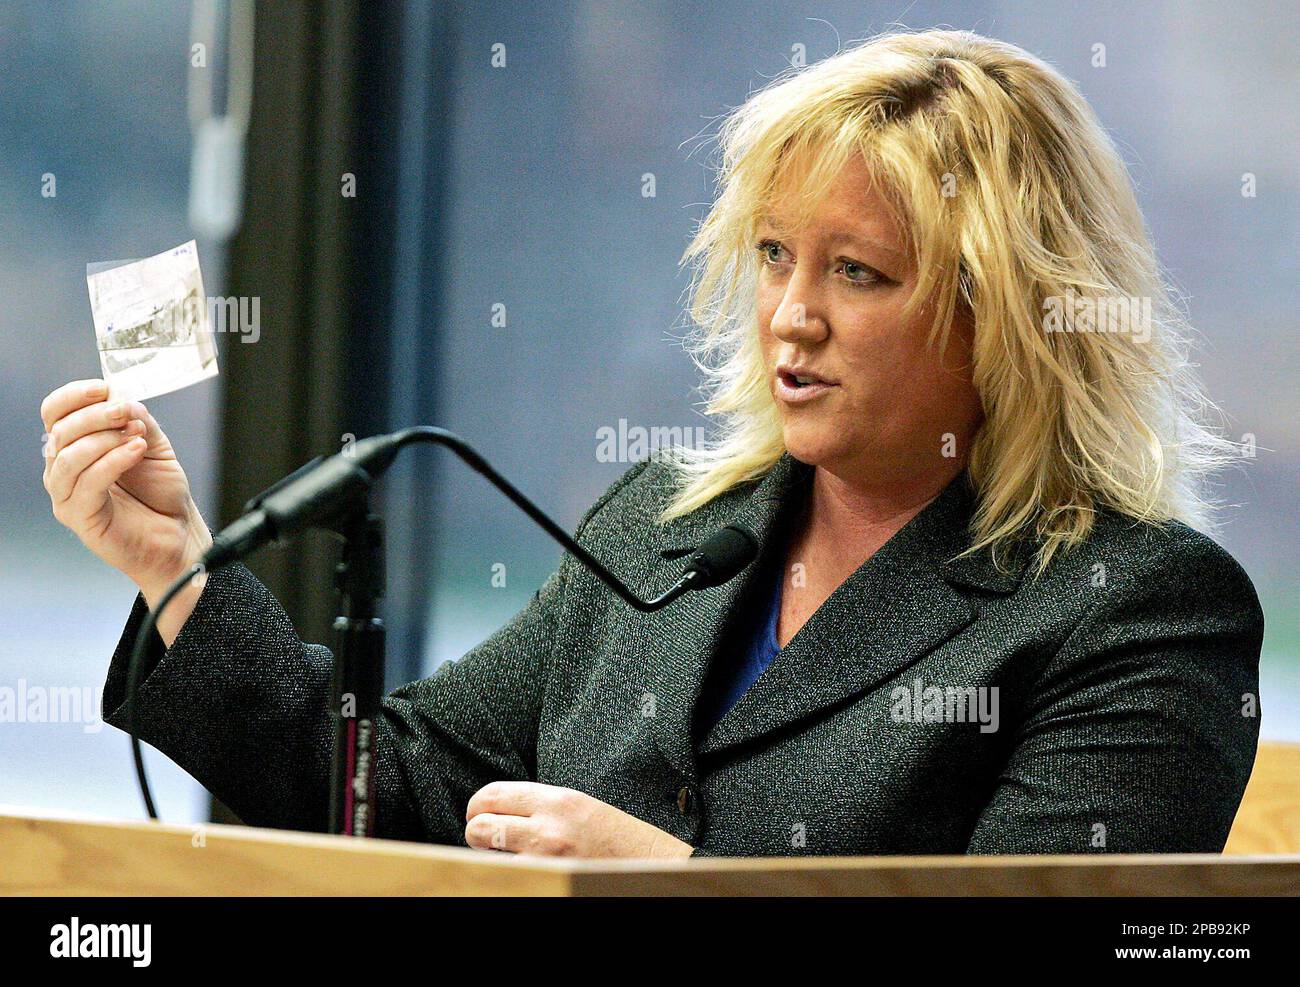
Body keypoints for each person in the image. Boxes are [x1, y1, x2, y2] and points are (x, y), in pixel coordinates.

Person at [41, 29, 1261, 857]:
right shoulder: (667, 527)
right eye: (776, 256)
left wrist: (678, 886)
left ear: (1005, 318)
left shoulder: (1136, 610)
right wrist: (177, 570)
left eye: (858, 271)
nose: (792, 313)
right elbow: (394, 792)